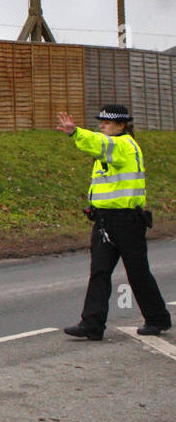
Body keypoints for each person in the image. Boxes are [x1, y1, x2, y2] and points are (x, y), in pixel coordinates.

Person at [57, 105, 171, 339]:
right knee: (99, 272)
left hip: (126, 220)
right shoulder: (111, 148)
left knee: (137, 272)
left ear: (121, 125)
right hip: (105, 219)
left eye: (107, 122)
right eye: (101, 121)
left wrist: (75, 132)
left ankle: (157, 319)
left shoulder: (123, 145)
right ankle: (92, 324)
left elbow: (97, 143)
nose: (102, 125)